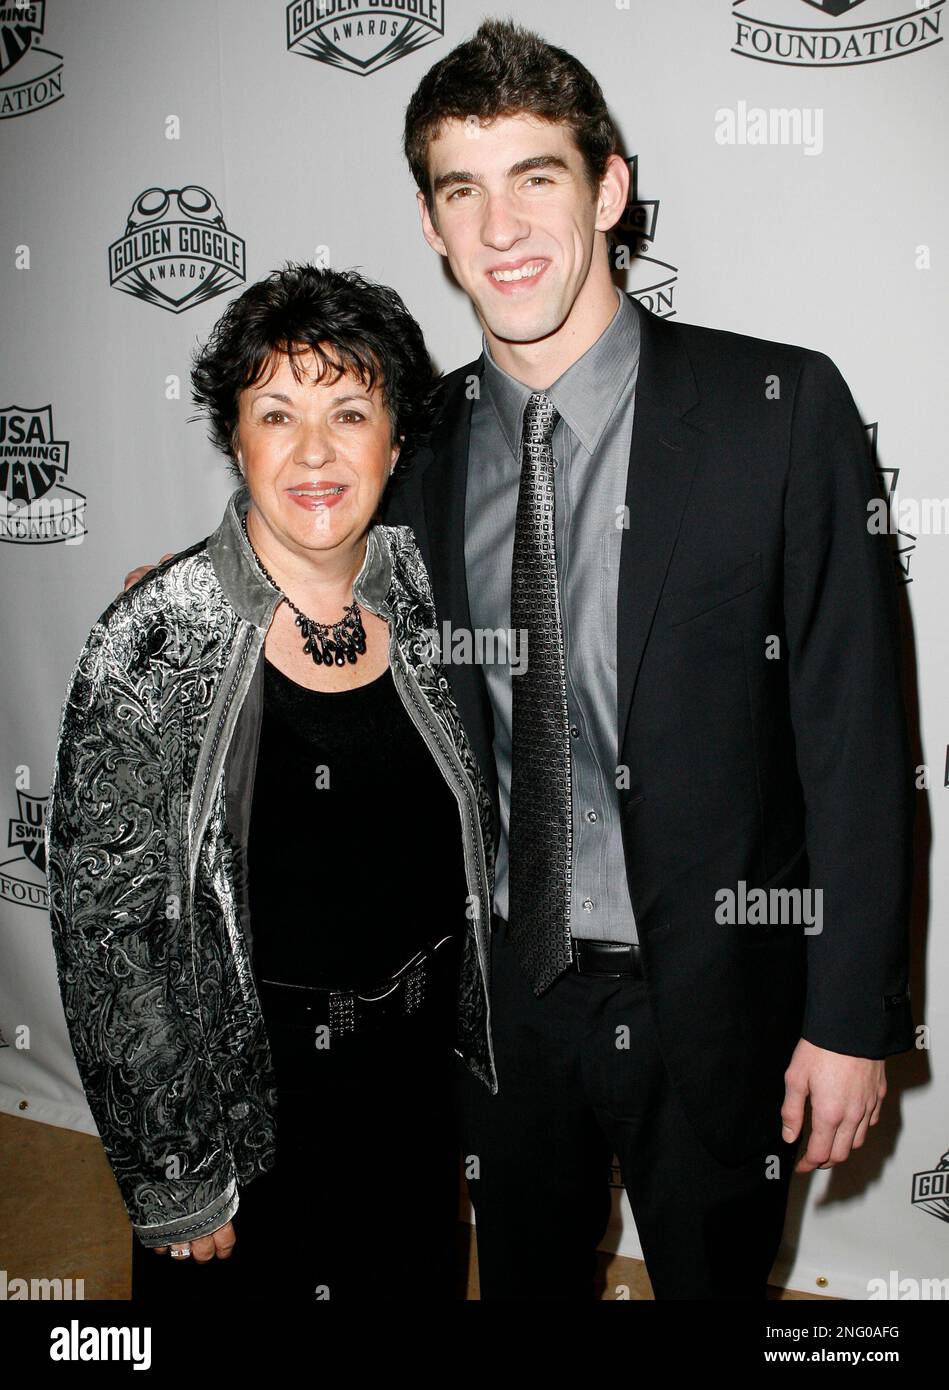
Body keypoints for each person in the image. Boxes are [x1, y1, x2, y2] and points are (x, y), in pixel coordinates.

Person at [120, 19, 916, 1301]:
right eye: (460, 189)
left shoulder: (779, 411)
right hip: (495, 1002)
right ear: (431, 226)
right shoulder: (413, 446)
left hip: (711, 991)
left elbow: (858, 739)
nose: (500, 227)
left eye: (535, 176)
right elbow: (305, 530)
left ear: (608, 187)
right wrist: (179, 600)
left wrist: (849, 1017)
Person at [46, 263, 497, 1302]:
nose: (313, 452)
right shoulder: (150, 641)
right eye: (275, 412)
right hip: (246, 1100)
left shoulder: (440, 599)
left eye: (350, 411)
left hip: (416, 1088)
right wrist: (174, 1176)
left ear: (396, 439)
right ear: (234, 436)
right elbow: (108, 937)